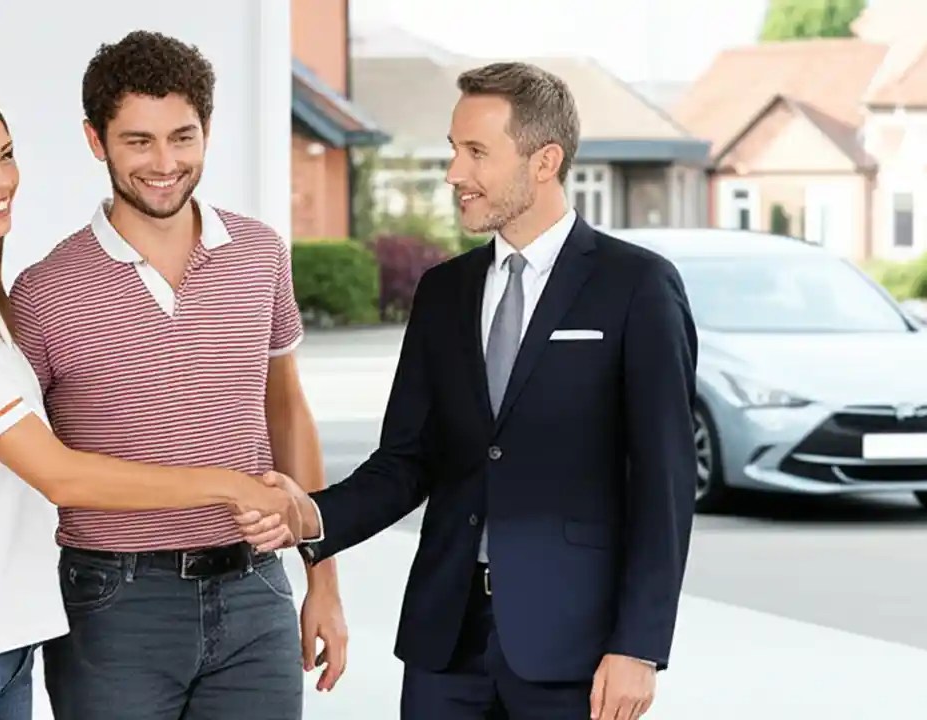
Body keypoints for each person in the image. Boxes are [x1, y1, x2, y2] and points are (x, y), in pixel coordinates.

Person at [0, 31, 345, 720]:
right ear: (97, 141)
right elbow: (14, 448)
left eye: (182, 137)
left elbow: (288, 411)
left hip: (255, 594)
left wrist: (323, 577)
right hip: (112, 603)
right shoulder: (42, 292)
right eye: (138, 141)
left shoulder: (260, 255)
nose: (165, 163)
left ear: (208, 132)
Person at [242, 62, 698, 720]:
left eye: (476, 153)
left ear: (545, 161)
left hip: (574, 649)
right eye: (454, 149)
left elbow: (665, 483)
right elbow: (408, 459)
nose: (454, 172)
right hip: (444, 641)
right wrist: (311, 517)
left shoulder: (637, 288)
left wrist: (639, 645)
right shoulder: (444, 292)